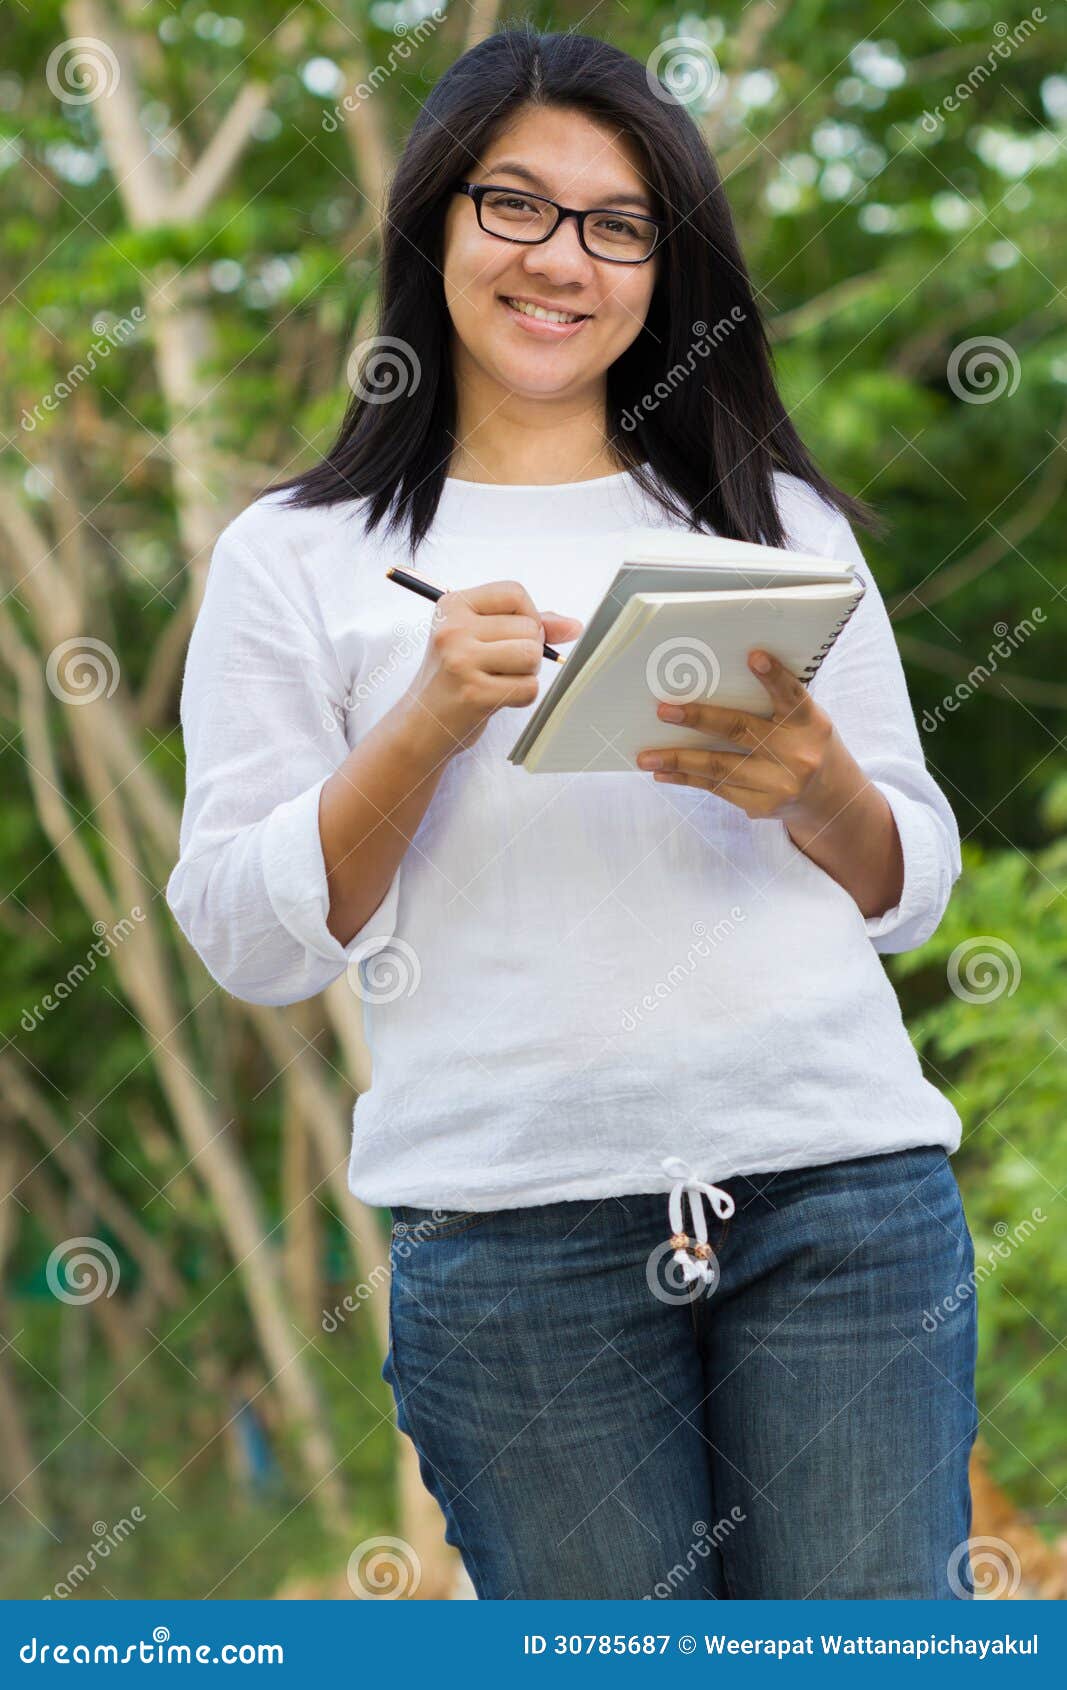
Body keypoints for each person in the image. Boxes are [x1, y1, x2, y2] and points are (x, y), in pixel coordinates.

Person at [166, 25, 978, 1600]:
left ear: (664, 270)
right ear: (436, 223)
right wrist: (421, 726)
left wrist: (817, 785)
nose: (565, 260)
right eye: (516, 206)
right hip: (514, 1239)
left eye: (620, 225)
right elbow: (247, 940)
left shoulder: (772, 519)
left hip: (844, 1197)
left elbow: (913, 881)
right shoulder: (297, 553)